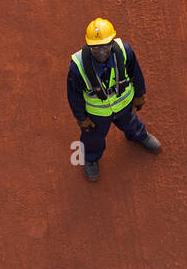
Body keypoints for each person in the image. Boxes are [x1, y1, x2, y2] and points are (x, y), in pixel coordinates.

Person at [67, 17, 161, 182]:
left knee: (131, 123)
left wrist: (140, 95)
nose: (101, 51)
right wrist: (81, 118)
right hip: (97, 114)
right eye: (96, 47)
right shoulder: (78, 66)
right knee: (92, 138)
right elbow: (73, 94)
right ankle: (90, 158)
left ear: (111, 42)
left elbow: (136, 73)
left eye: (105, 46)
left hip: (124, 105)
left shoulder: (125, 52)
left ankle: (140, 136)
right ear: (89, 46)